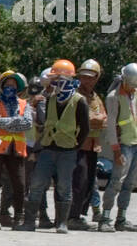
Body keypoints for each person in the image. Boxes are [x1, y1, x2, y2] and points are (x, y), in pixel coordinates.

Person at [21, 59, 88, 233]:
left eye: (56, 78)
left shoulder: (79, 101)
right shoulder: (50, 99)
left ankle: (62, 222)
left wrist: (75, 146)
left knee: (64, 186)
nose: (53, 82)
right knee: (37, 183)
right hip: (48, 148)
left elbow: (85, 128)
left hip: (67, 150)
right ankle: (29, 221)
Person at [100, 63, 137, 232]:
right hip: (123, 145)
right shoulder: (113, 97)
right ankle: (105, 218)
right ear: (124, 80)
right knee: (116, 182)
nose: (134, 89)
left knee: (131, 183)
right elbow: (111, 125)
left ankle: (122, 218)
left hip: (135, 144)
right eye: (132, 85)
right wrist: (116, 150)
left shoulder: (135, 93)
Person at [0, 71, 32, 229]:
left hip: (16, 150)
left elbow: (28, 123)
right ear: (2, 86)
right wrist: (16, 120)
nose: (10, 87)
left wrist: (8, 122)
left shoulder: (24, 104)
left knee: (19, 184)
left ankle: (18, 217)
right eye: (7, 84)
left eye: (13, 85)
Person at [68, 59, 106, 229]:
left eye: (90, 77)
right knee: (79, 182)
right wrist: (94, 120)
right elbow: (83, 118)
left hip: (93, 145)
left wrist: (96, 120)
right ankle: (72, 215)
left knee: (90, 182)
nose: (86, 80)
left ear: (97, 78)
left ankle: (80, 215)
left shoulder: (95, 97)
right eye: (83, 77)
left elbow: (104, 119)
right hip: (78, 145)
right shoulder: (75, 95)